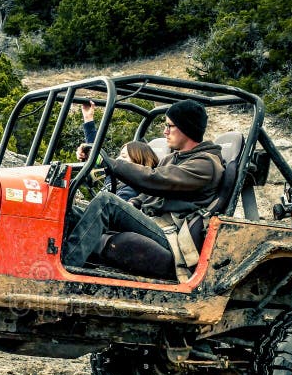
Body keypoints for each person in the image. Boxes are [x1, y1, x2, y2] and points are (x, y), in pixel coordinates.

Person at [63, 99, 225, 274]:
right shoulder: (172, 158)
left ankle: (65, 268)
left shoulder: (206, 165)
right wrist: (133, 204)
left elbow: (157, 181)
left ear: (187, 128)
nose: (165, 131)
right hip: (154, 222)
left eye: (170, 126)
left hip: (172, 236)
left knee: (107, 202)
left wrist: (111, 163)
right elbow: (148, 195)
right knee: (70, 210)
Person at [76, 101, 158, 200]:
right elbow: (98, 155)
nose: (118, 159)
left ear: (138, 164)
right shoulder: (113, 176)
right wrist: (88, 119)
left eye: (124, 156)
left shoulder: (131, 190)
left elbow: (114, 209)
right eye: (120, 155)